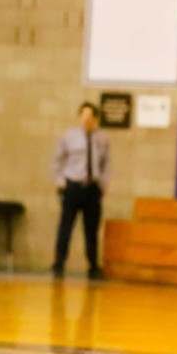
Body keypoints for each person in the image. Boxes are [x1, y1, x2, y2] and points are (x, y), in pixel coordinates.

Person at [52, 102, 110, 279]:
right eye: (83, 116)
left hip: (92, 188)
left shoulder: (102, 139)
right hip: (73, 186)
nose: (87, 120)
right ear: (79, 117)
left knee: (91, 229)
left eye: (90, 116)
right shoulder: (69, 137)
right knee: (65, 226)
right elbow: (57, 161)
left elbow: (106, 163)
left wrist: (103, 184)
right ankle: (59, 263)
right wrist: (61, 182)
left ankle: (93, 266)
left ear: (95, 119)